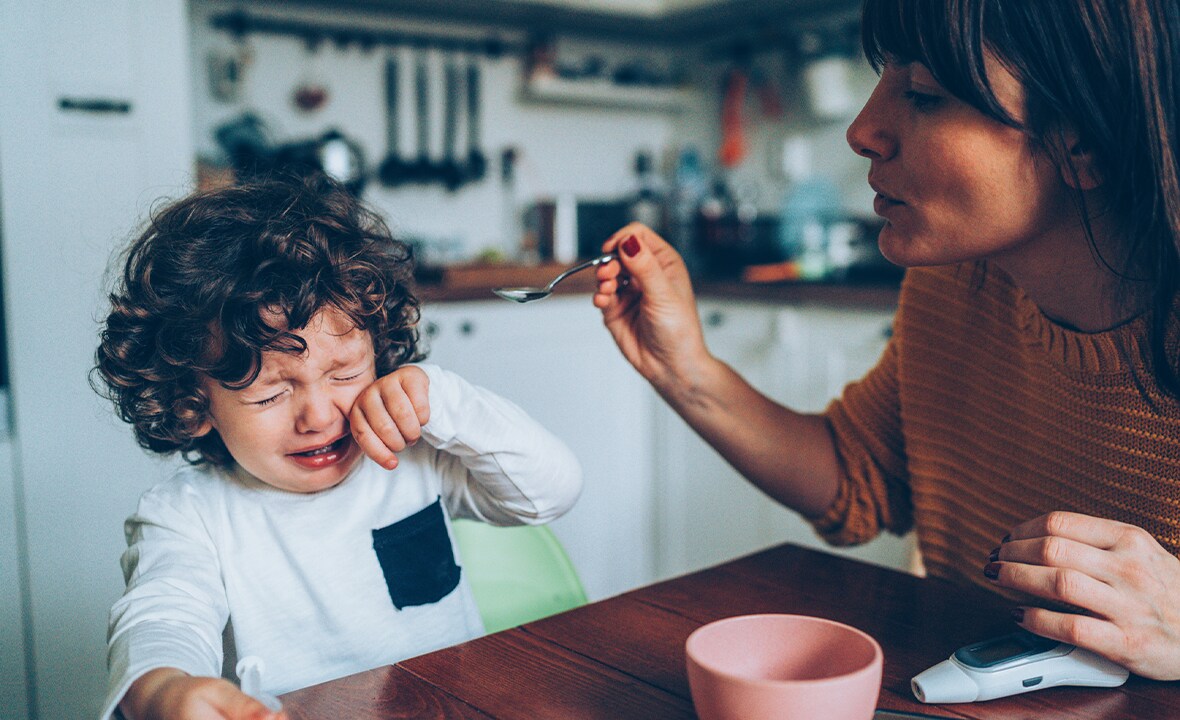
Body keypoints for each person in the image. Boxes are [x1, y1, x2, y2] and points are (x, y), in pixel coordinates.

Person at [594, 0, 1180, 681]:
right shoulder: (957, 283)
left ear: (1084, 141)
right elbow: (860, 472)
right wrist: (685, 369)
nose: (861, 129)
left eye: (925, 95)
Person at [92, 173, 583, 720]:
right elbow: (162, 618)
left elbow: (551, 492)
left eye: (345, 373)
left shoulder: (417, 454)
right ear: (192, 404)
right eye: (270, 394)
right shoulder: (187, 517)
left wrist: (440, 399)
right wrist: (162, 690)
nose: (320, 417)